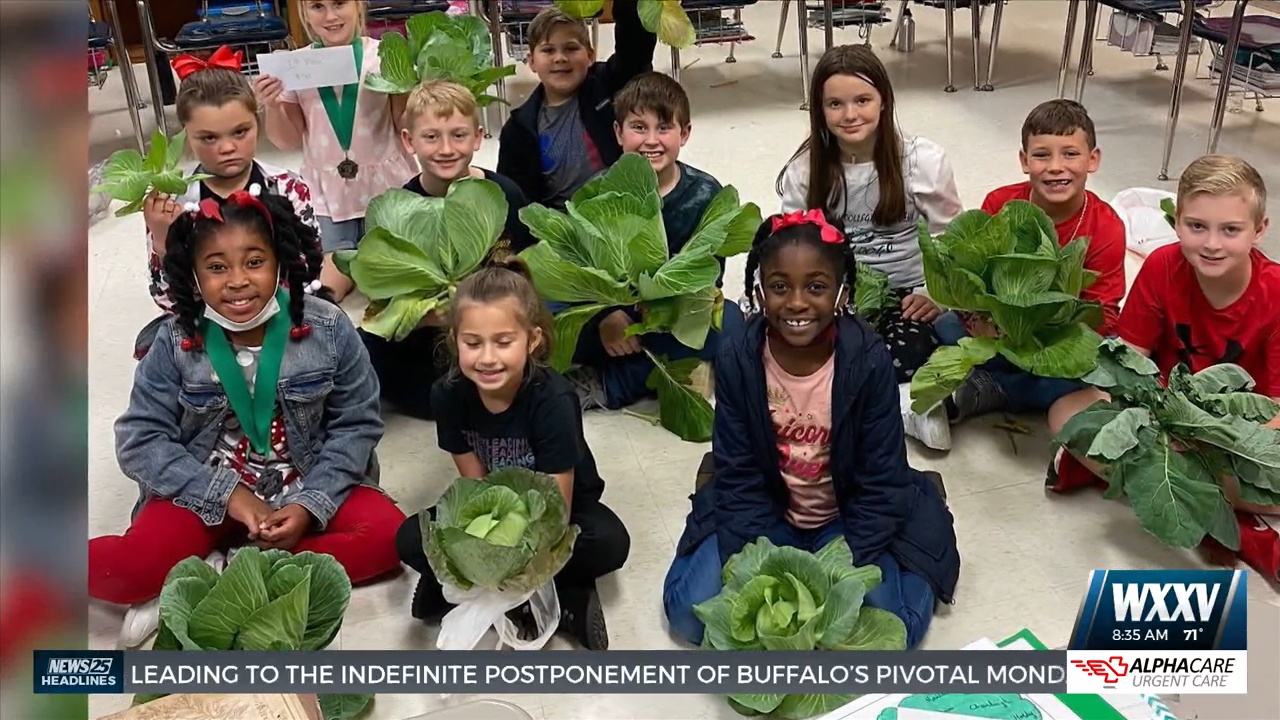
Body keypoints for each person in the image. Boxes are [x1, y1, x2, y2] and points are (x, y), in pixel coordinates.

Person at [90, 187, 404, 649]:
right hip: (205, 490)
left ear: (281, 262)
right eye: (216, 267)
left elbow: (356, 426)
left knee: (389, 538)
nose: (237, 280)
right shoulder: (176, 341)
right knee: (130, 570)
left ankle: (227, 572)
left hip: (305, 478)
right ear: (193, 275)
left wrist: (309, 504)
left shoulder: (329, 328)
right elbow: (140, 439)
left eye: (254, 261)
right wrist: (228, 495)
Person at [662, 211, 960, 650]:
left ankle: (920, 522)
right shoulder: (740, 358)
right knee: (688, 618)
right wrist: (765, 560)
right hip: (769, 514)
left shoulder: (867, 360)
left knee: (891, 636)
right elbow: (740, 474)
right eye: (780, 287)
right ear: (759, 293)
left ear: (842, 294)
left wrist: (843, 561)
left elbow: (879, 478)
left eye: (816, 287)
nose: (797, 302)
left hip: (848, 518)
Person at [1046, 155, 1279, 575]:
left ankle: (1154, 488)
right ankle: (1226, 520)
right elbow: (1129, 362)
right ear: (1177, 224)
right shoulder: (1162, 266)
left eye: (1230, 230)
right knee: (1065, 413)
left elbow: (1276, 412)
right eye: (1197, 227)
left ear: (1259, 230)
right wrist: (1145, 422)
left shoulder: (1275, 294)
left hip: (1241, 438)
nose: (1211, 243)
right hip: (1165, 421)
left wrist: (1210, 442)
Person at [394, 261, 630, 650]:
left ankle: (565, 595)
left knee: (609, 541)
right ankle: (523, 593)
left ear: (532, 340)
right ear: (454, 340)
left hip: (559, 510)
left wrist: (502, 565)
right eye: (473, 343)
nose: (488, 358)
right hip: (495, 515)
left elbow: (557, 509)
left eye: (503, 342)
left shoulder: (553, 399)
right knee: (408, 538)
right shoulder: (447, 395)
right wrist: (482, 551)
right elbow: (474, 489)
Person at [909, 99, 1128, 450]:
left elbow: (1104, 311)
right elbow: (970, 275)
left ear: (1093, 159)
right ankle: (996, 388)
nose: (1056, 168)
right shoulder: (1000, 203)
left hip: (1056, 341)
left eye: (1070, 154)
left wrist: (1045, 336)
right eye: (1042, 155)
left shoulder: (1107, 227)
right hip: (997, 332)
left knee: (1092, 367)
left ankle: (984, 391)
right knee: (946, 327)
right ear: (1024, 161)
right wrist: (979, 320)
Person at [776, 45, 962, 447]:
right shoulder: (804, 171)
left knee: (908, 350)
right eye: (835, 104)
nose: (850, 115)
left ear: (884, 101)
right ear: (819, 110)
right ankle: (876, 412)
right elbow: (792, 249)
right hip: (836, 293)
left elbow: (953, 239)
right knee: (813, 345)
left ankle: (900, 411)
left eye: (863, 100)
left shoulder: (922, 160)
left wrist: (937, 294)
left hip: (908, 293)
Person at [566, 71, 743, 410]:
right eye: (638, 127)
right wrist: (608, 316)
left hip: (673, 317)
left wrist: (659, 310)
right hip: (614, 316)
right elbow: (580, 275)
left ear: (684, 133)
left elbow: (709, 279)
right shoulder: (593, 193)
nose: (651, 140)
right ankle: (680, 369)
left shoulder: (706, 195)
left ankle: (611, 382)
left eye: (664, 128)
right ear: (618, 133)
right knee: (544, 316)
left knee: (730, 323)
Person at [361, 79, 531, 420]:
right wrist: (422, 315)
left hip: (495, 334)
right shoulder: (399, 207)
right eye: (431, 137)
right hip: (428, 338)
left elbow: (528, 271)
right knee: (359, 344)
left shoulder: (505, 195)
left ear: (478, 137)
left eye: (458, 135)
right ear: (409, 140)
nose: (446, 148)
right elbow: (382, 293)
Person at [135, 46, 318, 357]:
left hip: (278, 319)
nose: (227, 148)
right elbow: (166, 298)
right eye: (208, 138)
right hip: (207, 324)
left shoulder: (288, 188)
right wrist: (165, 243)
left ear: (256, 122)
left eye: (240, 131)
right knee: (158, 351)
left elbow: (309, 272)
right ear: (186, 137)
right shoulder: (173, 203)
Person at [255, 0, 417, 301]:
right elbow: (287, 140)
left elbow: (403, 124)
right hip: (329, 197)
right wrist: (272, 105)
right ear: (304, 13)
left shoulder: (381, 56)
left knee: (393, 283)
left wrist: (413, 87)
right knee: (327, 289)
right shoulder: (294, 67)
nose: (330, 16)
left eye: (339, 3)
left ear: (358, 5)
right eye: (317, 6)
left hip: (386, 189)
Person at [497, 1, 657, 210]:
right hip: (562, 229)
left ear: (590, 56)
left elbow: (635, 45)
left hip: (623, 212)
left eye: (571, 48)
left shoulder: (609, 85)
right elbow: (515, 201)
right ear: (532, 61)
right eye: (548, 50)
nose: (560, 58)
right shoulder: (518, 130)